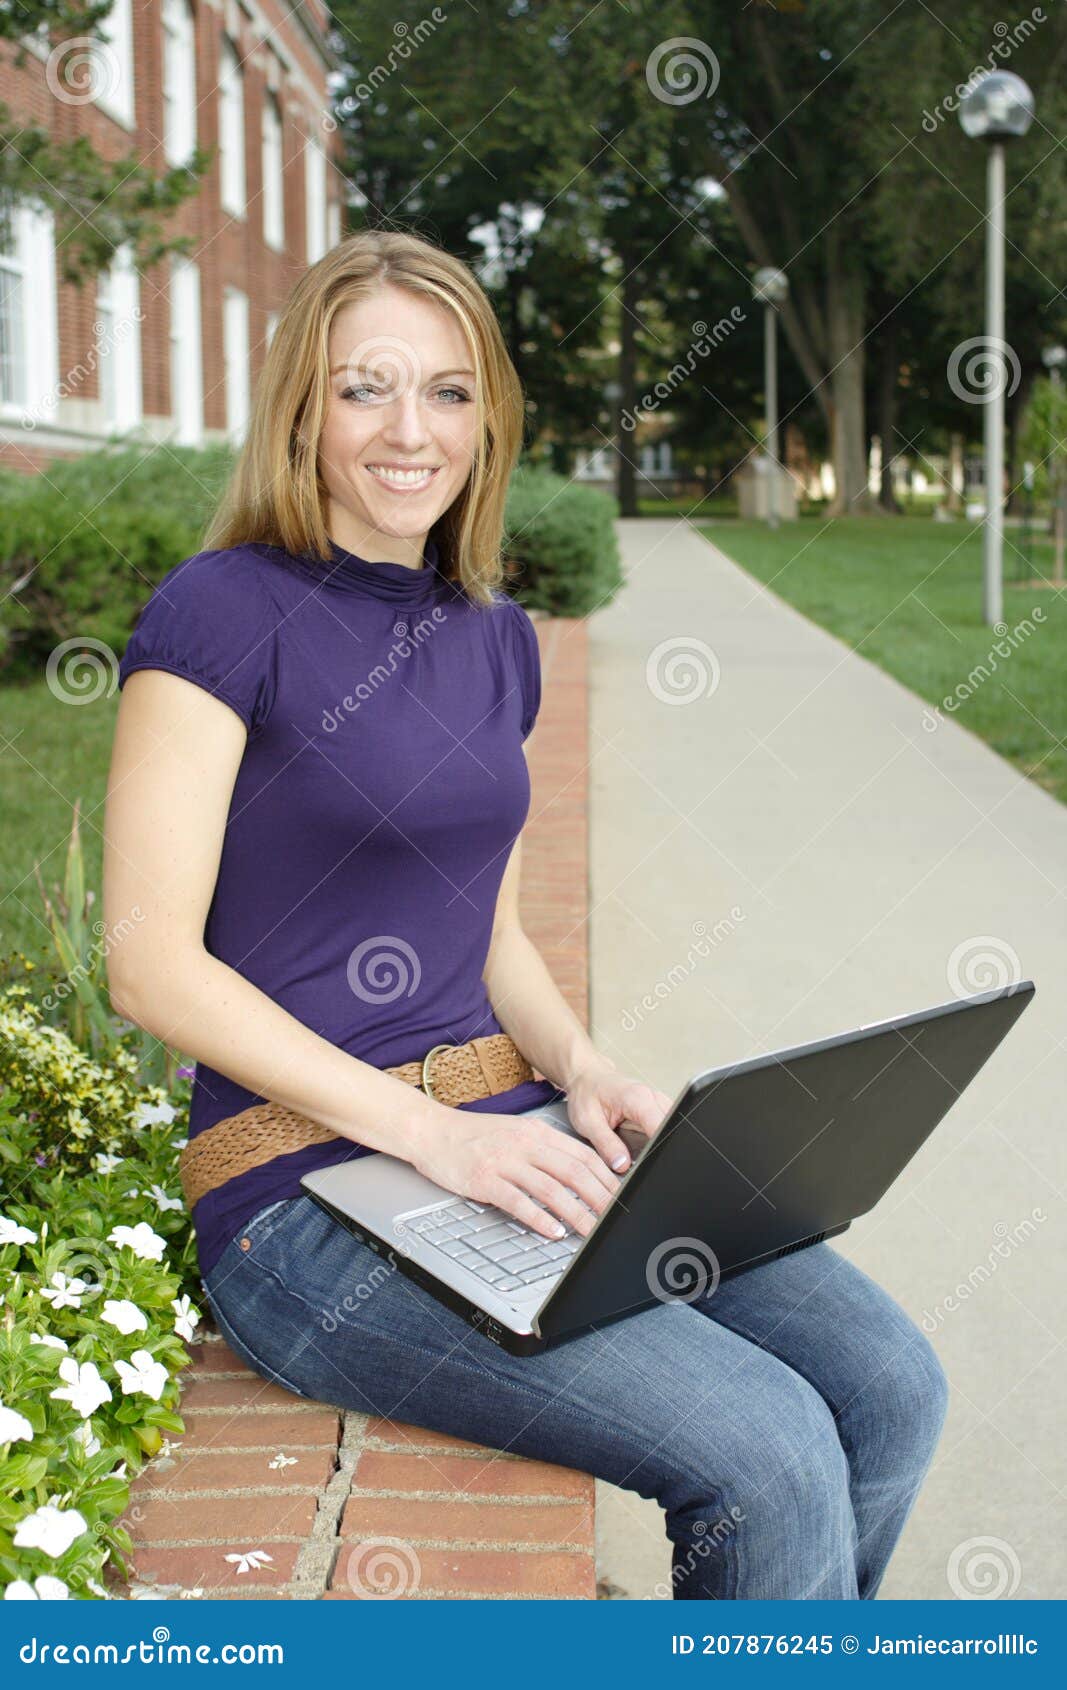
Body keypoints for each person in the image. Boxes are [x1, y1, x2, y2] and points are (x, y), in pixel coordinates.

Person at [103, 229, 948, 1600]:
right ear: (302, 409)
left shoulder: (491, 632)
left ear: (489, 413)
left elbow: (483, 930)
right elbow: (145, 963)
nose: (408, 430)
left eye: (447, 390)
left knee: (892, 1384)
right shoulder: (219, 613)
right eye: (364, 386)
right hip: (300, 1198)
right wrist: (434, 1133)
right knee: (772, 1452)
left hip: (512, 1141)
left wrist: (585, 1070)